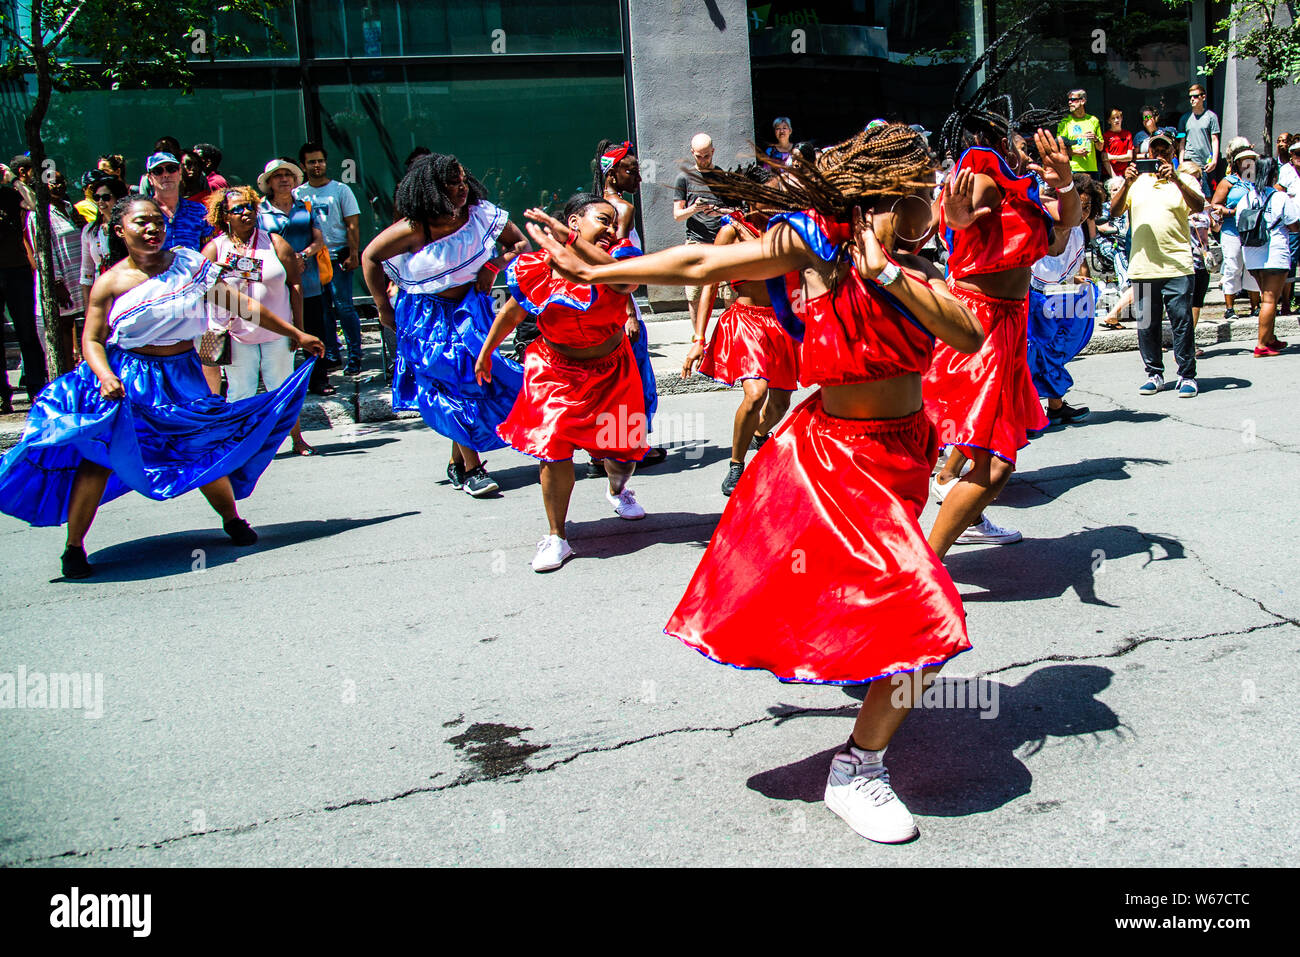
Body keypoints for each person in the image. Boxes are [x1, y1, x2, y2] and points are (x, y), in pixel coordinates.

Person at [529, 122, 985, 843]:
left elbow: (967, 335)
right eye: (926, 188)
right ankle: (858, 768)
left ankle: (865, 687)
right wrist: (597, 273)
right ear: (891, 195)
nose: (938, 198)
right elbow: (701, 262)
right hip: (838, 461)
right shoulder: (816, 244)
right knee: (926, 611)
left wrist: (896, 270)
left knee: (875, 598)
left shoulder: (912, 263)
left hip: (904, 453)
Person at [0, 195, 324, 579]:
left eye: (157, 220)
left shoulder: (189, 265)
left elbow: (240, 304)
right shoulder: (110, 283)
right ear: (120, 230)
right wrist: (105, 375)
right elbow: (92, 340)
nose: (152, 228)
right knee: (98, 459)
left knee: (198, 450)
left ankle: (232, 519)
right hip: (129, 377)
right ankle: (74, 547)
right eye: (141, 222)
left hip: (182, 374)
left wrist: (294, 332)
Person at [928, 67, 1081, 554]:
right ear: (993, 138)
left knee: (980, 443)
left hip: (1009, 320)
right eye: (1015, 137)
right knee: (992, 455)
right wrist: (956, 219)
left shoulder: (1019, 188)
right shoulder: (980, 180)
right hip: (981, 319)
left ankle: (950, 517)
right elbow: (960, 216)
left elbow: (1064, 229)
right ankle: (926, 559)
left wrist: (1067, 183)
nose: (1024, 146)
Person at [476, 195, 651, 571]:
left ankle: (617, 490)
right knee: (553, 447)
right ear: (573, 222)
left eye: (614, 223)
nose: (610, 229)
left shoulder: (621, 257)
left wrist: (579, 249)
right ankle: (557, 537)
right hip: (553, 370)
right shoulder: (537, 266)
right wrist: (487, 351)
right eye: (602, 220)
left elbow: (623, 284)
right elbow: (512, 311)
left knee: (621, 456)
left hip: (612, 372)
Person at [360, 153, 527, 497]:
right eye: (452, 183)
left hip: (470, 310)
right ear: (431, 188)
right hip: (427, 317)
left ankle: (458, 463)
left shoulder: (480, 215)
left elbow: (520, 243)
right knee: (450, 386)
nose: (461, 188)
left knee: (475, 383)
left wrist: (493, 265)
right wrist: (381, 307)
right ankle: (472, 468)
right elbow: (370, 257)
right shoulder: (413, 228)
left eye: (463, 180)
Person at [683, 162, 798, 495]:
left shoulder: (785, 229)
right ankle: (736, 466)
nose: (780, 199)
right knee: (756, 394)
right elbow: (708, 283)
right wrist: (698, 338)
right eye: (772, 193)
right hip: (746, 322)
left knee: (780, 405)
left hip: (780, 323)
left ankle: (759, 437)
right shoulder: (730, 230)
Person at [202, 186, 315, 454]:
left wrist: (297, 329)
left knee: (283, 388)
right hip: (237, 335)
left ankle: (296, 439)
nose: (245, 213)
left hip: (278, 333)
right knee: (240, 392)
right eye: (237, 209)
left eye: (249, 207)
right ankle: (238, 446)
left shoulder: (275, 242)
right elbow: (204, 292)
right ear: (224, 216)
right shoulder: (214, 249)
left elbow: (295, 285)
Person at [1107, 127, 1204, 396]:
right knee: (1147, 324)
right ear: (1148, 153)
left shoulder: (1185, 179)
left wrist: (1178, 181)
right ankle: (1154, 374)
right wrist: (1125, 182)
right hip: (1143, 265)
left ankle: (1187, 376)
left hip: (1178, 265)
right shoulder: (1136, 182)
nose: (1159, 154)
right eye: (1155, 150)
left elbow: (1198, 206)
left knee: (1182, 323)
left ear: (1173, 153)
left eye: (1165, 150)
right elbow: (1114, 211)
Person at [589, 138, 667, 474]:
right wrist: (630, 313)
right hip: (621, 305)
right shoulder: (623, 210)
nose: (637, 178)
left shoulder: (592, 209)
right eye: (631, 171)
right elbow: (616, 265)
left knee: (605, 380)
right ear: (612, 174)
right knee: (631, 380)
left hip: (597, 307)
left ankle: (598, 452)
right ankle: (630, 449)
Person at [1026, 173, 1103, 425]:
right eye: (1077, 205)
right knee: (1032, 353)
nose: (1081, 213)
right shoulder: (1040, 227)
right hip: (1026, 300)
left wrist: (1076, 283)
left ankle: (1056, 407)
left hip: (1052, 300)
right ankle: (1025, 412)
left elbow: (1063, 276)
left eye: (1087, 207)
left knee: (1056, 345)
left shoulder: (1078, 234)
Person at [258, 158, 334, 397]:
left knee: (313, 328)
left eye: (287, 175)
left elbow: (319, 239)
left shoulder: (306, 206)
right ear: (269, 182)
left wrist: (302, 255)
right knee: (282, 333)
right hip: (276, 282)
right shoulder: (260, 211)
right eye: (277, 176)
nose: (283, 179)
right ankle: (284, 383)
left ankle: (319, 379)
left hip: (308, 280)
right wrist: (285, 261)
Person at [296, 142, 364, 376]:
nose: (317, 165)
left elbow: (353, 224)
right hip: (313, 259)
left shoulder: (341, 190)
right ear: (304, 166)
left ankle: (355, 355)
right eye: (312, 162)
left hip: (338, 255)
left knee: (344, 306)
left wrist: (354, 253)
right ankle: (332, 354)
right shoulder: (298, 193)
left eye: (320, 161)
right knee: (322, 309)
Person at [23, 170, 87, 368]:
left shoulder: (70, 208)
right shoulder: (39, 214)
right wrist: (56, 283)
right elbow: (44, 252)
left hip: (80, 282)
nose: (57, 186)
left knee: (85, 336)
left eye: (60, 182)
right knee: (65, 338)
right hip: (62, 284)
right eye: (52, 183)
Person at [1237, 158, 1299, 357]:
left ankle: (1270, 337)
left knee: (1266, 296)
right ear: (1275, 175)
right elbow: (1294, 224)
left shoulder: (1245, 198)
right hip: (1275, 253)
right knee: (1270, 300)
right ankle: (1262, 345)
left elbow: (1240, 223)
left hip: (1253, 255)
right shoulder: (1280, 197)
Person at [0, 182, 43, 410]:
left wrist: (16, 182)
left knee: (27, 331)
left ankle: (36, 389)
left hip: (17, 269)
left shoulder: (10, 193)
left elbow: (34, 204)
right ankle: (2, 395)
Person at [1208, 139, 1263, 318]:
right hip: (1232, 231)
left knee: (1252, 267)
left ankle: (1255, 306)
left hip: (1253, 231)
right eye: (1245, 159)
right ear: (1237, 163)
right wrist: (1232, 212)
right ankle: (1230, 308)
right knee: (1233, 266)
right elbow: (1215, 205)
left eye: (1252, 160)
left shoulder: (1257, 182)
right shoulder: (1229, 182)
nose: (1249, 163)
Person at [673, 133, 726, 312]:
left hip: (722, 242)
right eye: (698, 156)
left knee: (730, 295)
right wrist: (694, 209)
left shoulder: (721, 176)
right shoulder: (684, 178)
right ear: (692, 152)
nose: (703, 160)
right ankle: (698, 338)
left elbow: (736, 211)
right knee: (694, 296)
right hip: (696, 241)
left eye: (707, 156)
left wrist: (718, 211)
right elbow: (677, 215)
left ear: (713, 151)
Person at [144, 151, 214, 251]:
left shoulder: (199, 211)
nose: (166, 175)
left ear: (180, 173)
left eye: (171, 169)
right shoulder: (143, 212)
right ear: (150, 178)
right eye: (158, 171)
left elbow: (208, 249)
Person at [78, 175, 129, 309]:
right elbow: (86, 271)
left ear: (118, 198)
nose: (101, 201)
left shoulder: (129, 227)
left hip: (127, 291)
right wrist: (88, 308)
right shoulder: (89, 231)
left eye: (106, 197)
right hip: (101, 294)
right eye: (96, 197)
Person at [1057, 89, 1111, 181]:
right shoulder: (1065, 121)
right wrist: (1075, 153)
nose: (1070, 102)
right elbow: (1060, 146)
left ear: (1083, 101)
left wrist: (1096, 139)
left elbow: (1100, 147)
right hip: (1073, 169)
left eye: (1073, 100)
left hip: (1091, 169)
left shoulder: (1093, 120)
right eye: (1069, 100)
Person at [1179, 84, 1220, 196]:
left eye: (1196, 96)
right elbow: (1182, 141)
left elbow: (1215, 139)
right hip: (1189, 162)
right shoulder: (1184, 118)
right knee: (1188, 195)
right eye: (1190, 97)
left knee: (1207, 196)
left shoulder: (1211, 116)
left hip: (1205, 164)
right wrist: (1181, 162)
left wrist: (1214, 160)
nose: (1192, 99)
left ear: (1203, 97)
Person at [1103, 108, 1134, 176]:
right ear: (1109, 121)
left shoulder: (1127, 134)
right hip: (1109, 174)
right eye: (1113, 118)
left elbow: (1129, 157)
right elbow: (1104, 158)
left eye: (1118, 117)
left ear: (1121, 118)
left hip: (1125, 174)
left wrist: (1111, 157)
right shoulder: (1106, 136)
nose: (1116, 120)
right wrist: (1114, 177)